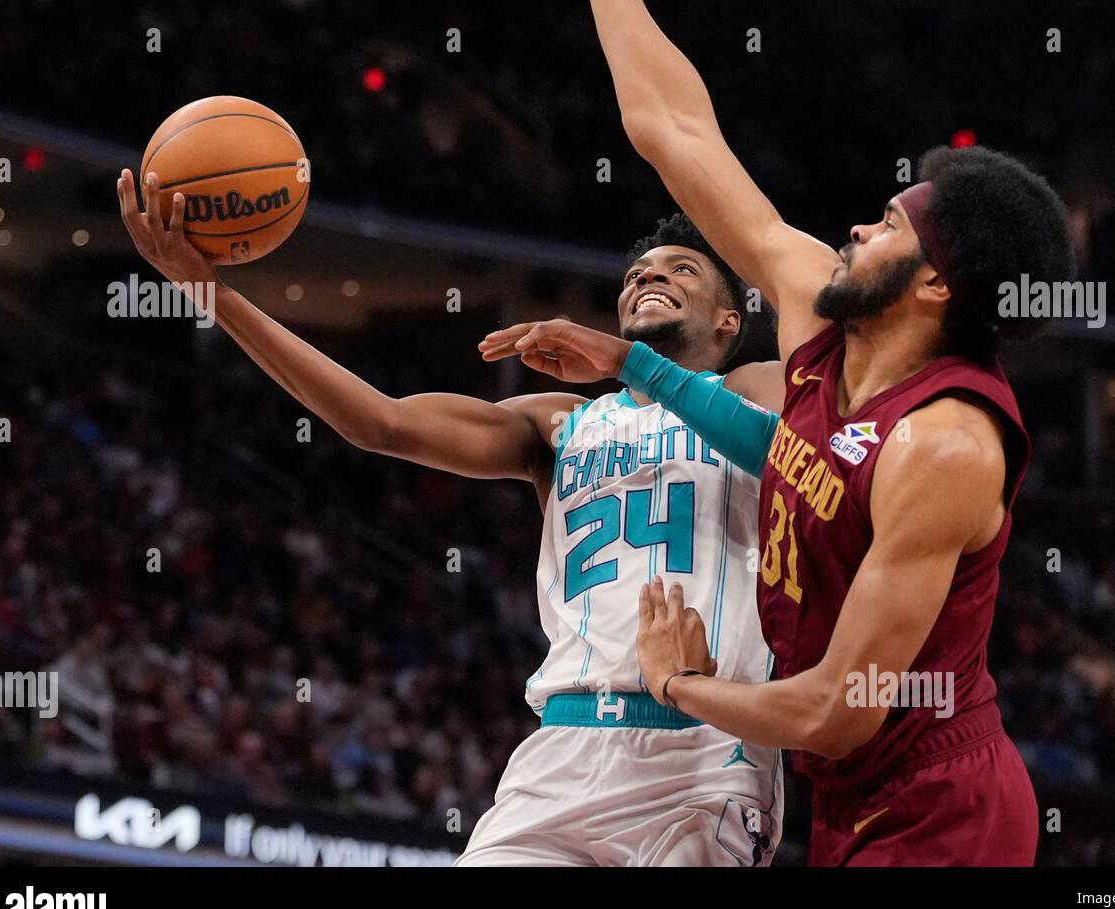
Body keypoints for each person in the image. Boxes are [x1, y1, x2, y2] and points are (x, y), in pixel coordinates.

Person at [496, 0, 1076, 865]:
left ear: (934, 288)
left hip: (942, 805)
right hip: (842, 795)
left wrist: (680, 686)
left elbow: (833, 714)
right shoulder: (818, 319)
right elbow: (674, 128)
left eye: (887, 227)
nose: (855, 227)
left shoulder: (944, 444)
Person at [118, 170, 783, 865]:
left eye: (682, 269)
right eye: (638, 271)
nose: (651, 276)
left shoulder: (755, 387)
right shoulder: (558, 423)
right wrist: (210, 293)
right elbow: (381, 423)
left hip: (702, 748)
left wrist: (631, 363)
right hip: (562, 751)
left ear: (728, 320)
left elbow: (791, 455)